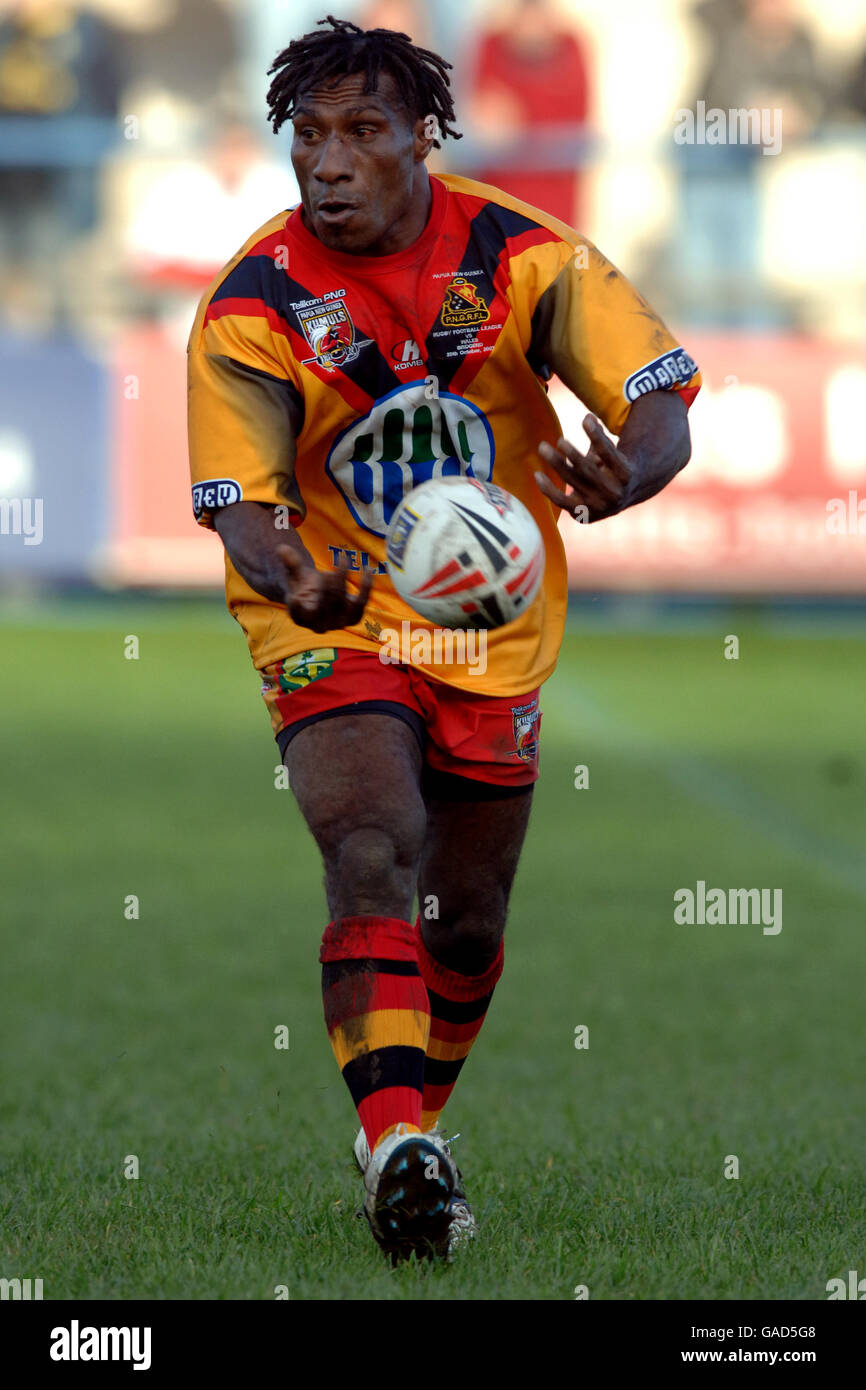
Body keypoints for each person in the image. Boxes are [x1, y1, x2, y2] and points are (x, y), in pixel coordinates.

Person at [187, 13, 701, 1265]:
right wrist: (288, 575)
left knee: (462, 917)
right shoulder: (252, 304)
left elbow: (657, 396)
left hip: (492, 628)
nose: (328, 161)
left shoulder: (522, 256)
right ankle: (399, 1143)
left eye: (361, 132)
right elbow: (241, 506)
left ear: (421, 138)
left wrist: (631, 468)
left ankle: (408, 1140)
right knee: (370, 839)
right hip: (333, 609)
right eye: (307, 135)